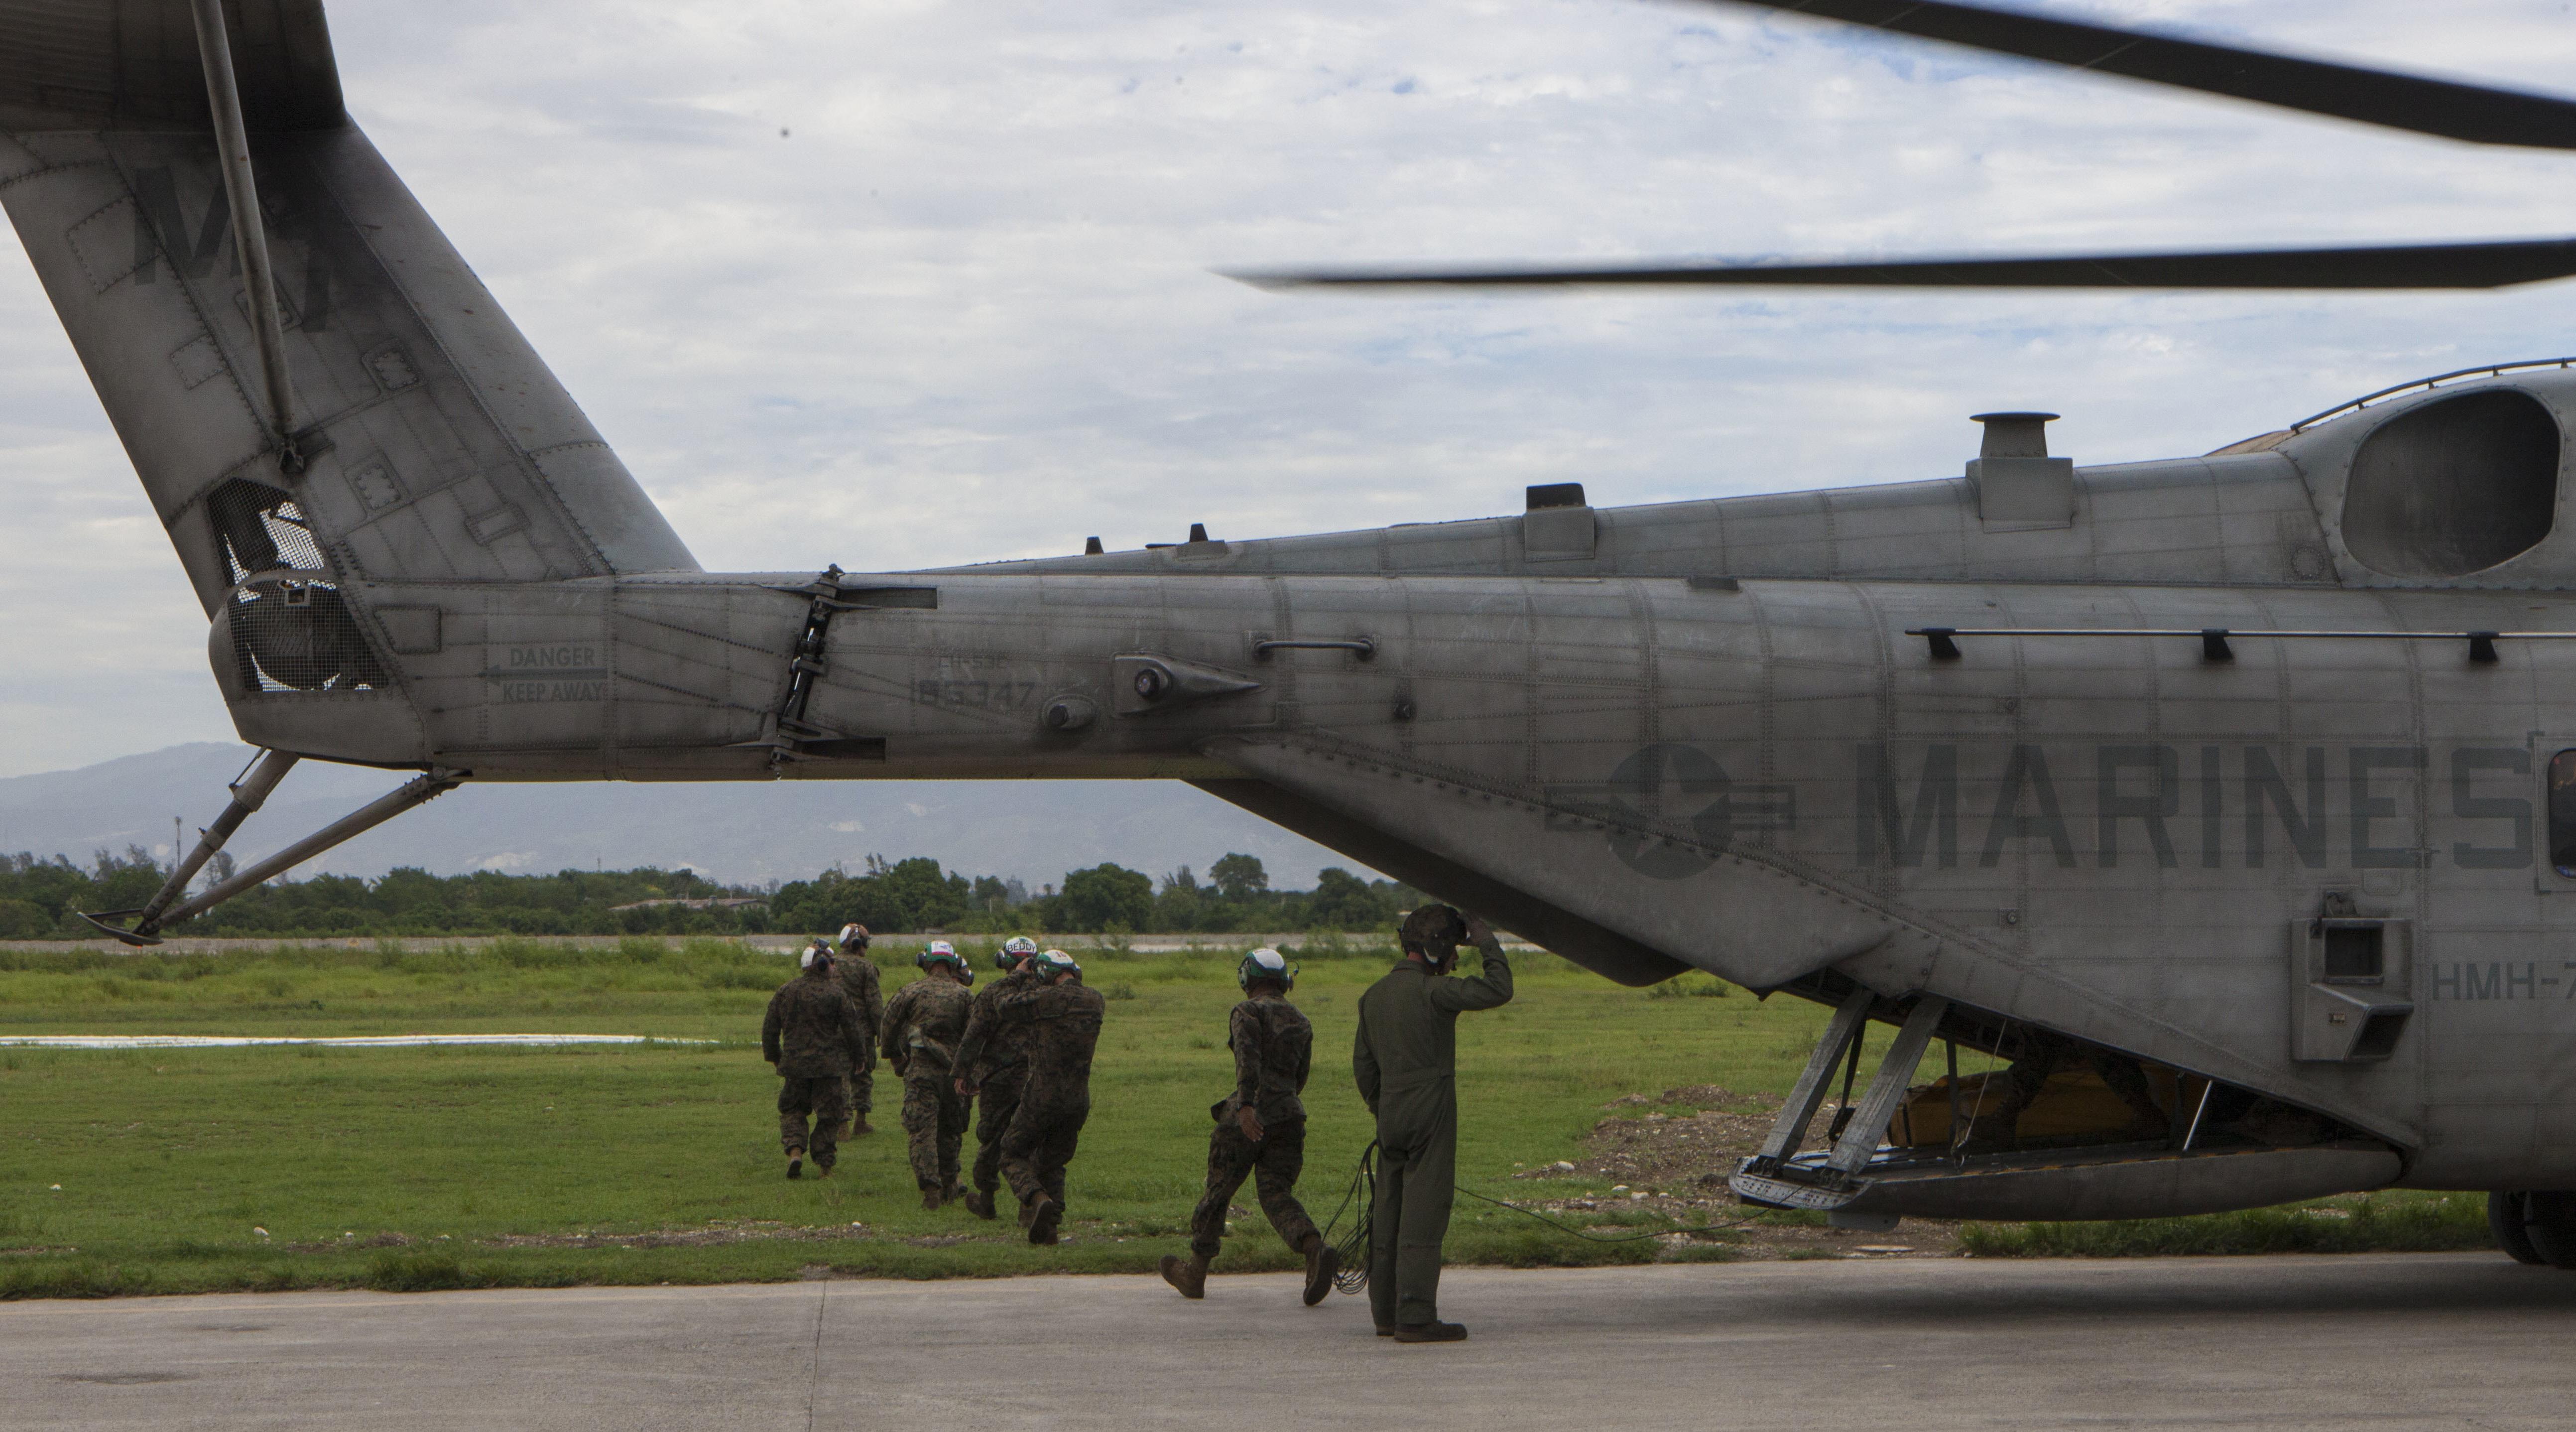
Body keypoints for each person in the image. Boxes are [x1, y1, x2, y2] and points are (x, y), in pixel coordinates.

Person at [1352, 905, 1512, 1343]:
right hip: (1430, 1112)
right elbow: (1500, 988)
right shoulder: (1434, 994)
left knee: (1387, 1212)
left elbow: (1364, 1070)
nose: (1454, 963)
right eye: (1453, 952)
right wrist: (1485, 940)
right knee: (1424, 1214)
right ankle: (1416, 1315)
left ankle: (1385, 1314)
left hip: (1390, 1113)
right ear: (1435, 948)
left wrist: (1384, 1108)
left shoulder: (1373, 997)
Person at [1160, 947, 1337, 1305]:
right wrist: (1278, 1105)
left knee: (1218, 1191)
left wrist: (1245, 1106)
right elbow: (1299, 1076)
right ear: (1284, 980)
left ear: (1247, 978)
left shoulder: (1246, 1011)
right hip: (1289, 1115)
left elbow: (1247, 1061)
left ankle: (1194, 1272)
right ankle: (1312, 1246)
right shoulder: (1301, 1019)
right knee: (1275, 1193)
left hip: (1247, 1117)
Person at [988, 949, 1105, 1246]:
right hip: (1079, 1098)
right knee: (1054, 1162)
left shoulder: (1045, 1000)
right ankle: (1050, 1229)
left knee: (1011, 1152)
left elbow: (1001, 1005)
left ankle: (1036, 1197)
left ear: (1045, 974)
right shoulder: (1096, 1000)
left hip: (1042, 1094)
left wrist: (1018, 974)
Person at [952, 935, 1045, 1220]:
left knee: (992, 1139)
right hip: (1037, 1078)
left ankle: (987, 1200)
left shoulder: (994, 992)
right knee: (1031, 1140)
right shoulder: (1046, 993)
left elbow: (974, 1035)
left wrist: (962, 1072)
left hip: (998, 1080)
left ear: (1003, 961)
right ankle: (1029, 1205)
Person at [761, 941, 872, 1180]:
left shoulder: (786, 991)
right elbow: (853, 1029)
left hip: (795, 1066)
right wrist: (860, 1057)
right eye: (831, 962)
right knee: (829, 1116)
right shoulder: (837, 993)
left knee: (793, 1110)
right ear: (822, 964)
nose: (834, 966)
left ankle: (795, 1152)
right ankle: (825, 1168)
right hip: (828, 1068)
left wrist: (775, 1057)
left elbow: (770, 1029)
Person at [879, 940, 976, 1209]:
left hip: (921, 1069)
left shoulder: (911, 992)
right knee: (950, 1130)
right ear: (953, 964)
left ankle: (931, 1190)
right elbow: (975, 1037)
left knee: (922, 1130)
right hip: (954, 1074)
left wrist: (896, 1056)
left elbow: (887, 1026)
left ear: (926, 963)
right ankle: (950, 1183)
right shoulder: (965, 996)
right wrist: (971, 1074)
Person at [832, 923, 886, 1136]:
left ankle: (842, 1125)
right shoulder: (866, 967)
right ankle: (860, 1122)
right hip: (862, 1031)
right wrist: (882, 1033)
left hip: (835, 1032)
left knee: (840, 1077)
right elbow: (874, 1004)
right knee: (863, 1075)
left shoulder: (830, 964)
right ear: (857, 943)